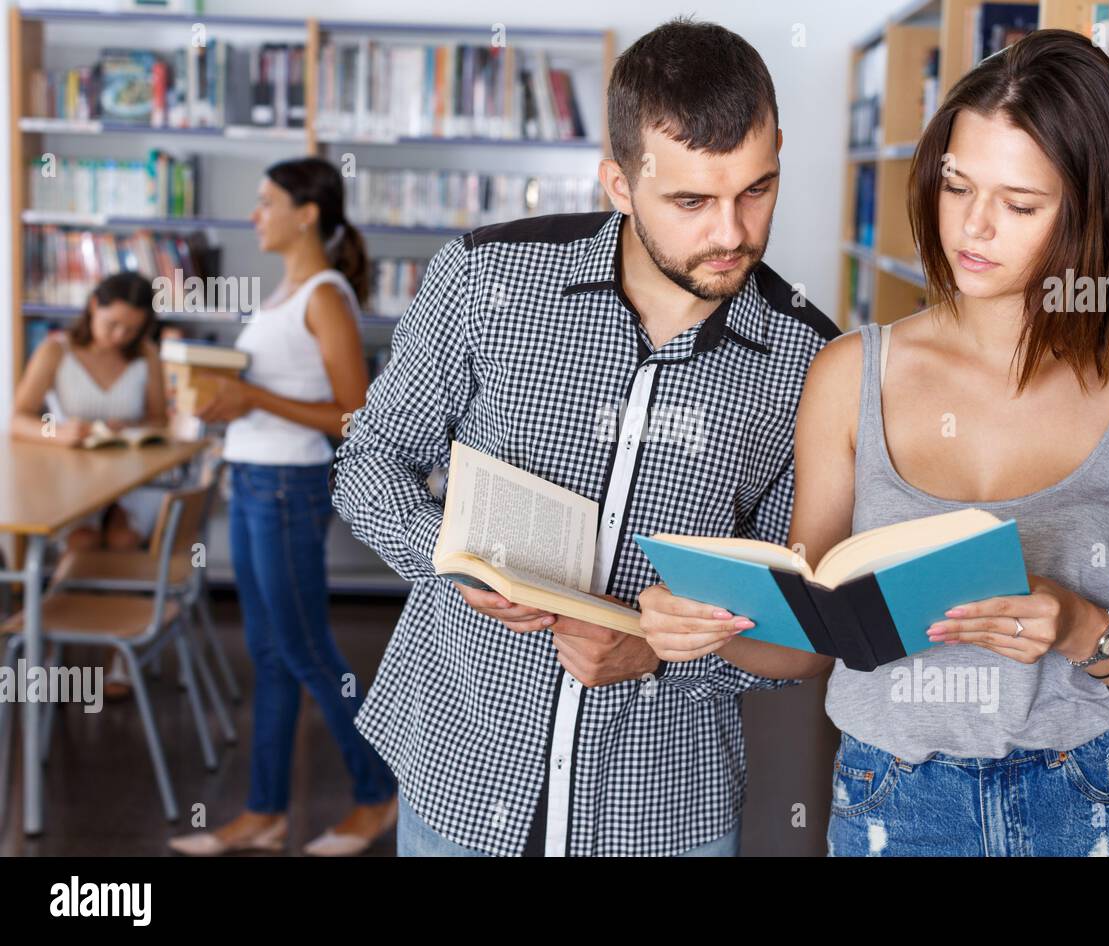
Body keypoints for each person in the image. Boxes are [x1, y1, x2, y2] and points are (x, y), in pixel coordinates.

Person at [641, 29, 1109, 857]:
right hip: (895, 802)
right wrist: (692, 631)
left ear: (1093, 210)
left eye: (1021, 205)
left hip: (1103, 797)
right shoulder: (851, 373)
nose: (974, 228)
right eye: (957, 187)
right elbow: (815, 642)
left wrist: (1080, 630)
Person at [331, 18, 839, 856]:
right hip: (463, 771)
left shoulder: (813, 362)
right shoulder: (485, 277)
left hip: (664, 808)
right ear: (617, 181)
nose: (732, 233)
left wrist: (659, 653)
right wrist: (451, 558)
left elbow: (801, 618)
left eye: (757, 189)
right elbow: (369, 458)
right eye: (690, 201)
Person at [167, 157, 397, 856]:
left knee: (304, 648)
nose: (253, 214)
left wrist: (253, 399)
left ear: (306, 212)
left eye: (266, 202)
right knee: (269, 654)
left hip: (287, 492)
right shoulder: (279, 295)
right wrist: (221, 403)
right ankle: (264, 812)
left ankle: (377, 792)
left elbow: (357, 418)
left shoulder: (325, 295)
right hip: (251, 481)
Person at [12, 271, 168, 700]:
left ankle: (121, 653)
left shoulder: (146, 354)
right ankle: (49, 652)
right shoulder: (55, 350)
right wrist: (57, 432)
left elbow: (160, 420)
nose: (121, 336)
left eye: (132, 329)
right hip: (74, 479)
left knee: (120, 539)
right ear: (93, 307)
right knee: (82, 541)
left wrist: (129, 425)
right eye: (112, 324)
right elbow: (18, 418)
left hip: (134, 478)